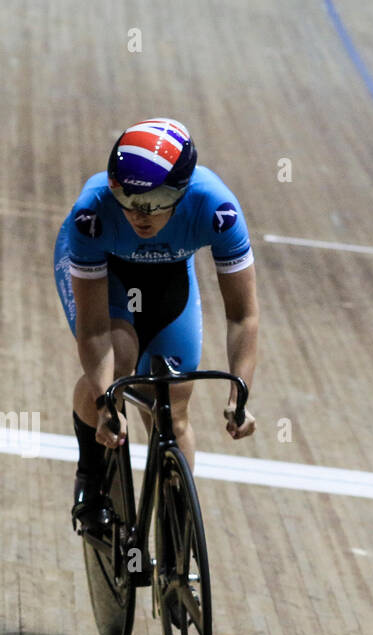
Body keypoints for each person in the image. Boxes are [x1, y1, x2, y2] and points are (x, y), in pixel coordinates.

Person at [53, 118, 259, 529]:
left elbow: (243, 315)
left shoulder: (217, 209)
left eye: (156, 199)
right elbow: (94, 331)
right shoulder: (91, 214)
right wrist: (104, 400)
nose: (138, 212)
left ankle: (175, 536)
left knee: (175, 399)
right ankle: (90, 477)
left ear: (182, 192)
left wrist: (241, 392)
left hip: (168, 279)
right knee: (120, 362)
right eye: (126, 196)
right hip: (109, 274)